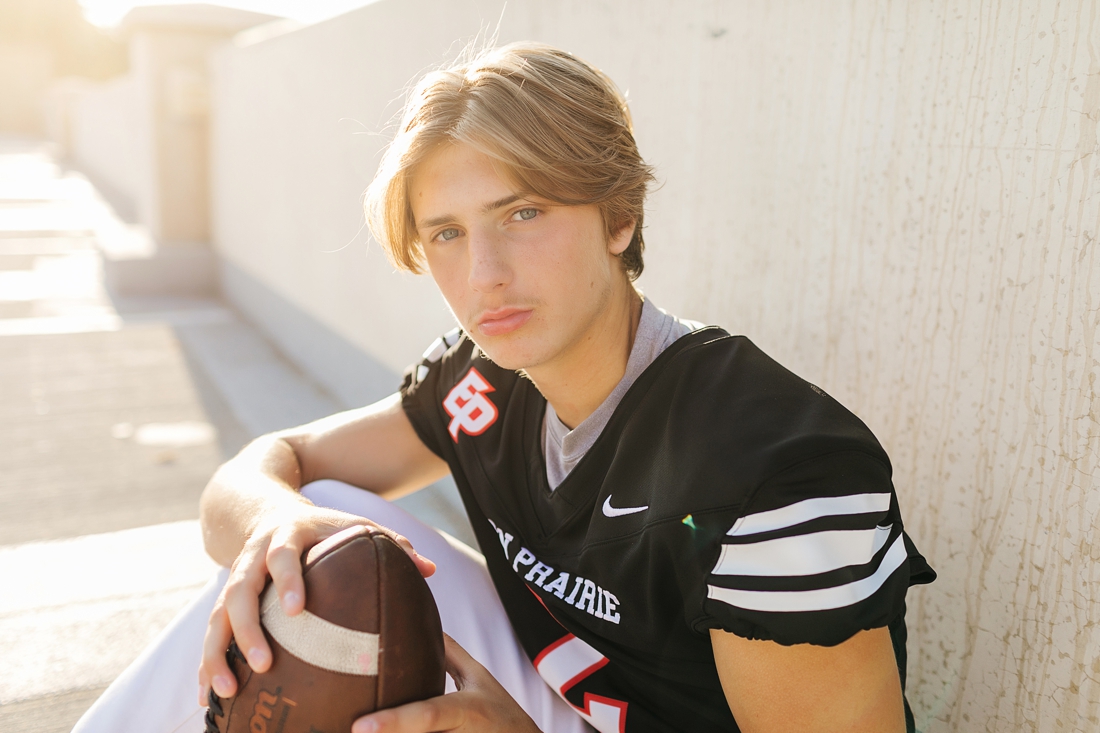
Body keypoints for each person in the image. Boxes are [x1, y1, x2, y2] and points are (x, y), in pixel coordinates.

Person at [78, 41, 935, 733]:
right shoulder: (481, 378)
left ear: (619, 215)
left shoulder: (773, 472)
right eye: (447, 234)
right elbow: (269, 465)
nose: (484, 274)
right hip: (557, 699)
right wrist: (271, 522)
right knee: (322, 529)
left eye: (523, 213)